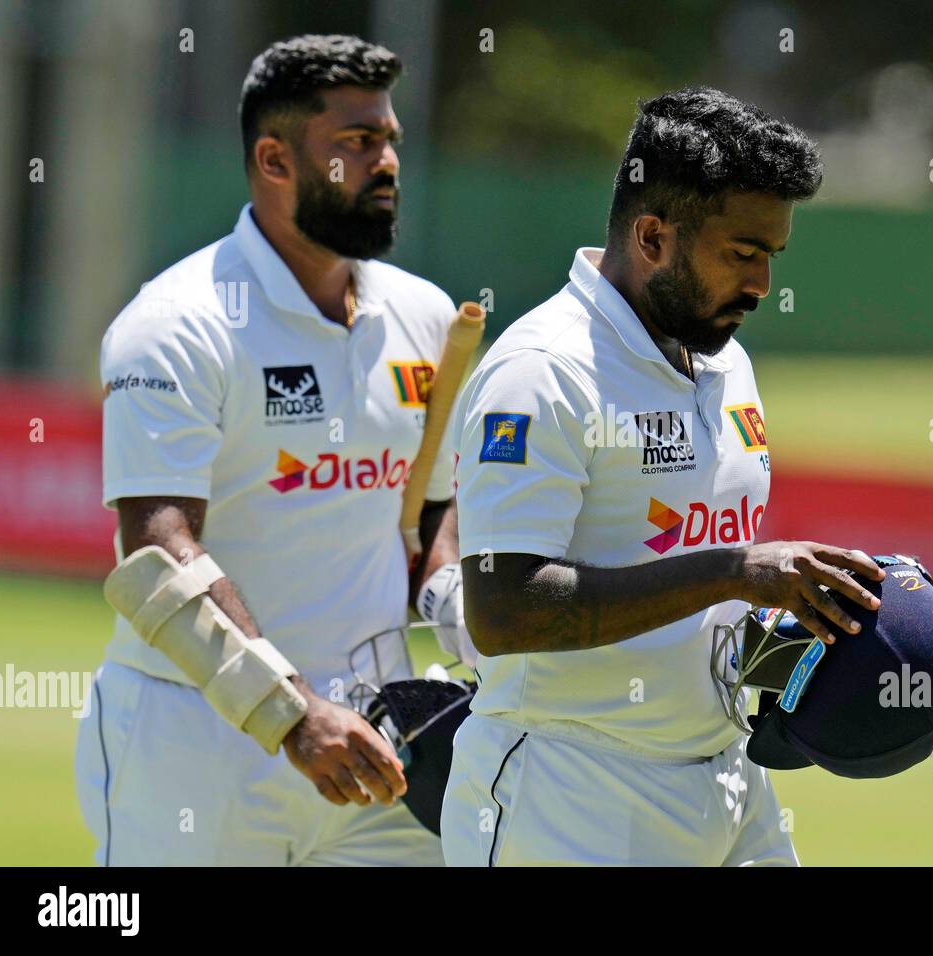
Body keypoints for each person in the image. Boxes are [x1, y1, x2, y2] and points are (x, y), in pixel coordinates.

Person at [441, 87, 885, 866]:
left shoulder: (724, 359)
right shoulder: (543, 371)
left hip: (729, 781)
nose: (762, 286)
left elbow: (688, 606)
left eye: (772, 257)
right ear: (652, 235)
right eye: (742, 254)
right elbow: (503, 611)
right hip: (567, 798)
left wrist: (826, 649)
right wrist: (738, 571)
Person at [75, 34, 473, 866]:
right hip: (193, 746)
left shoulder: (429, 317)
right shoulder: (175, 323)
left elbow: (431, 513)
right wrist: (290, 712)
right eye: (358, 143)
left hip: (380, 740)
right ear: (275, 159)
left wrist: (461, 616)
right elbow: (155, 548)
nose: (389, 161)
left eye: (391, 138)